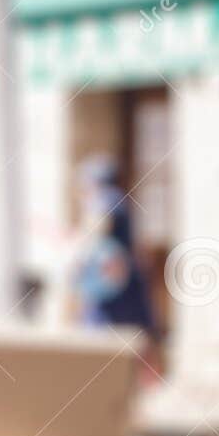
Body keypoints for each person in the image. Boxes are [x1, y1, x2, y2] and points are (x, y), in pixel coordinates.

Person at [67, 155, 160, 378]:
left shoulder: (106, 198)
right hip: (121, 282)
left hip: (112, 287)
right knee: (137, 333)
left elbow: (99, 225)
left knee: (106, 335)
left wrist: (79, 243)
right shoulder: (121, 200)